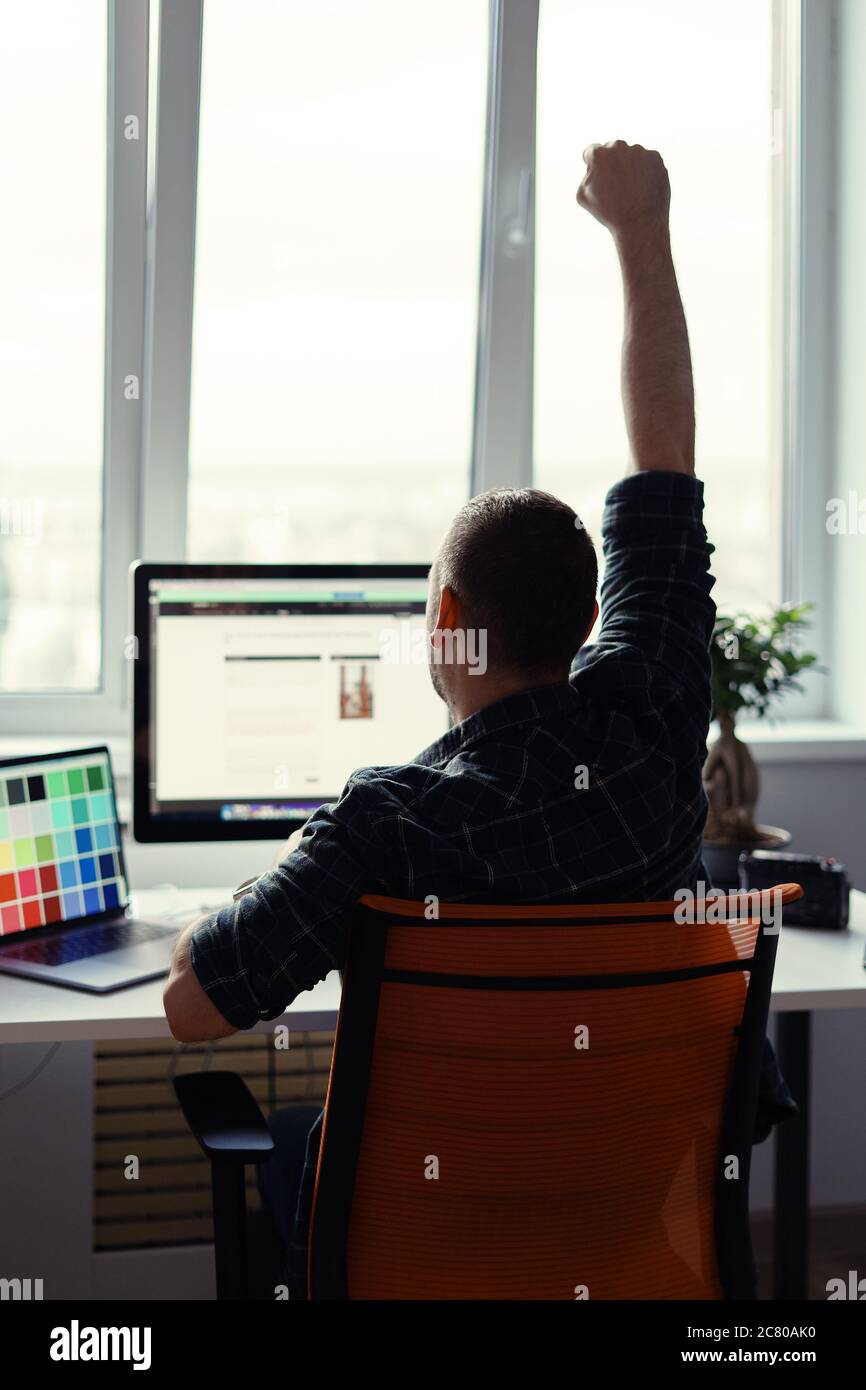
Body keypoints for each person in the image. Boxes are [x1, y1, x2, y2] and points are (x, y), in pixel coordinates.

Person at [164, 141, 795, 1292]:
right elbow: (667, 463)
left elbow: (195, 1010)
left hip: (428, 1247)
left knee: (294, 1152)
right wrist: (640, 236)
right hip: (616, 1217)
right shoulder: (654, 718)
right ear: (592, 610)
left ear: (447, 617)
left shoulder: (387, 824)